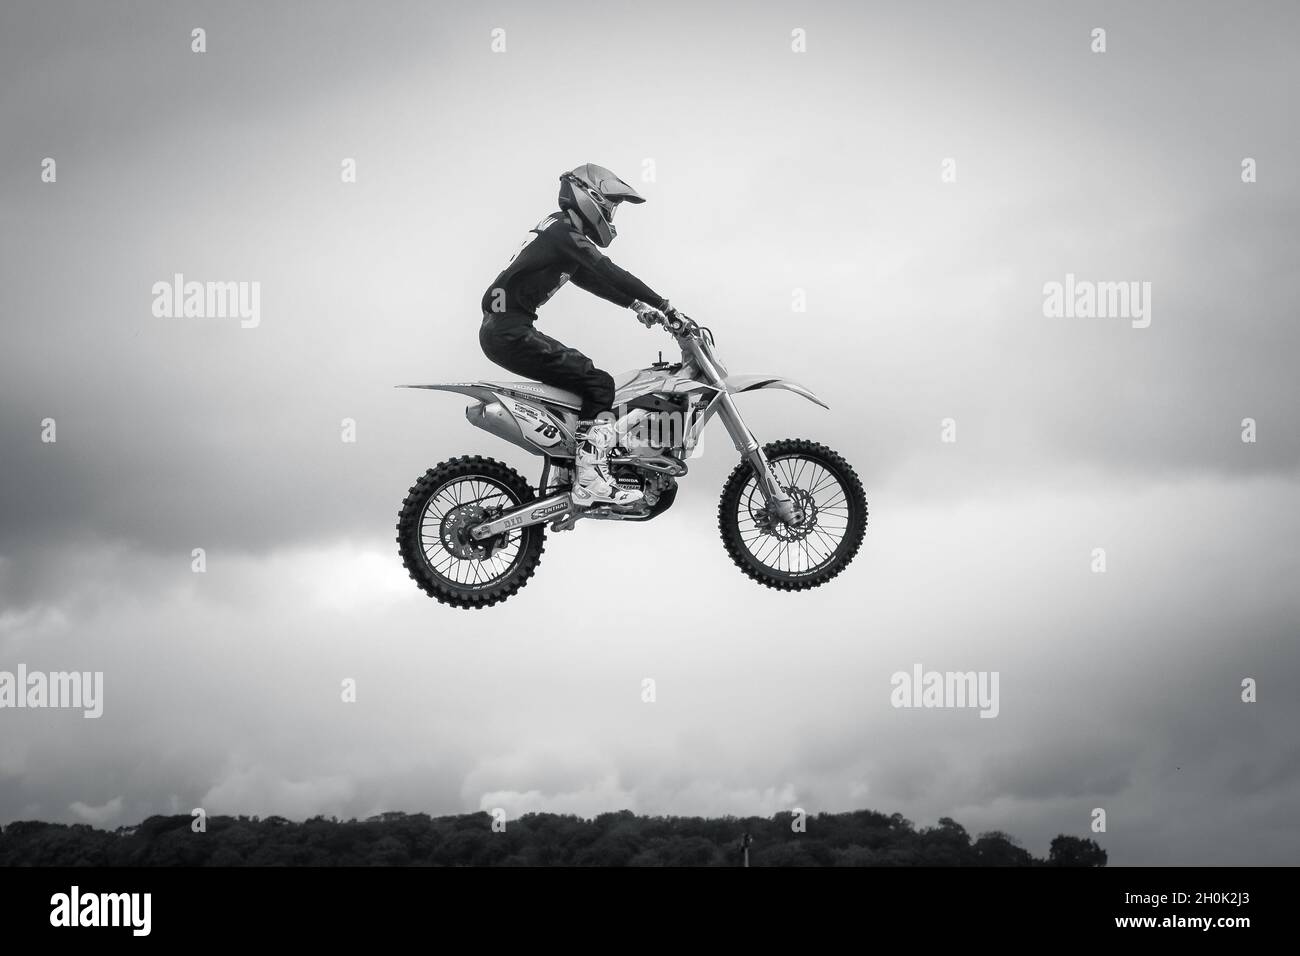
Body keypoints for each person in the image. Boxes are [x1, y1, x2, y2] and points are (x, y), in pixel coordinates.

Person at [479, 163, 678, 507]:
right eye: (611, 206)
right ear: (591, 197)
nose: (612, 214)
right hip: (509, 331)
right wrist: (663, 304)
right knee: (599, 384)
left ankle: (566, 472)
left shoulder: (558, 232)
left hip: (502, 329)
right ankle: (590, 477)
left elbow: (590, 278)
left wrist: (635, 305)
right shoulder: (563, 234)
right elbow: (605, 269)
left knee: (578, 390)